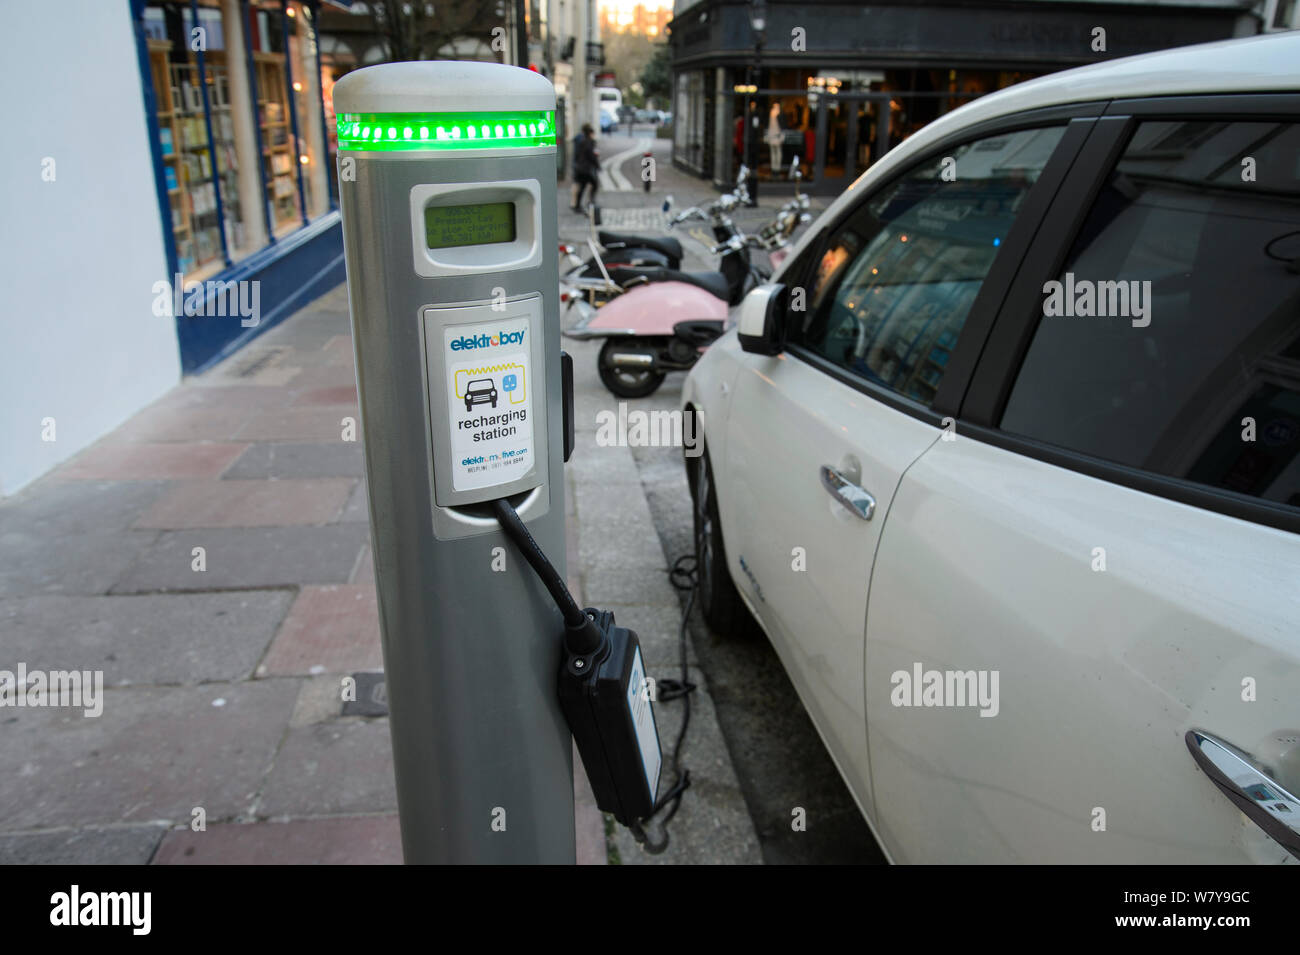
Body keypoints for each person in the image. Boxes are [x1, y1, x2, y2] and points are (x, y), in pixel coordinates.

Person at [571, 123, 600, 213]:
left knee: (583, 186)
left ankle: (579, 205)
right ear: (590, 133)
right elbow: (591, 156)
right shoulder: (589, 142)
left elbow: (577, 154)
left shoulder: (582, 141)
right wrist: (597, 165)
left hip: (580, 168)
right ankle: (589, 202)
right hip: (585, 169)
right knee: (593, 184)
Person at [765, 103, 783, 175]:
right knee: (774, 153)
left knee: (777, 153)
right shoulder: (773, 114)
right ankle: (775, 169)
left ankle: (777, 168)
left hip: (776, 137)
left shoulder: (779, 115)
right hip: (773, 137)